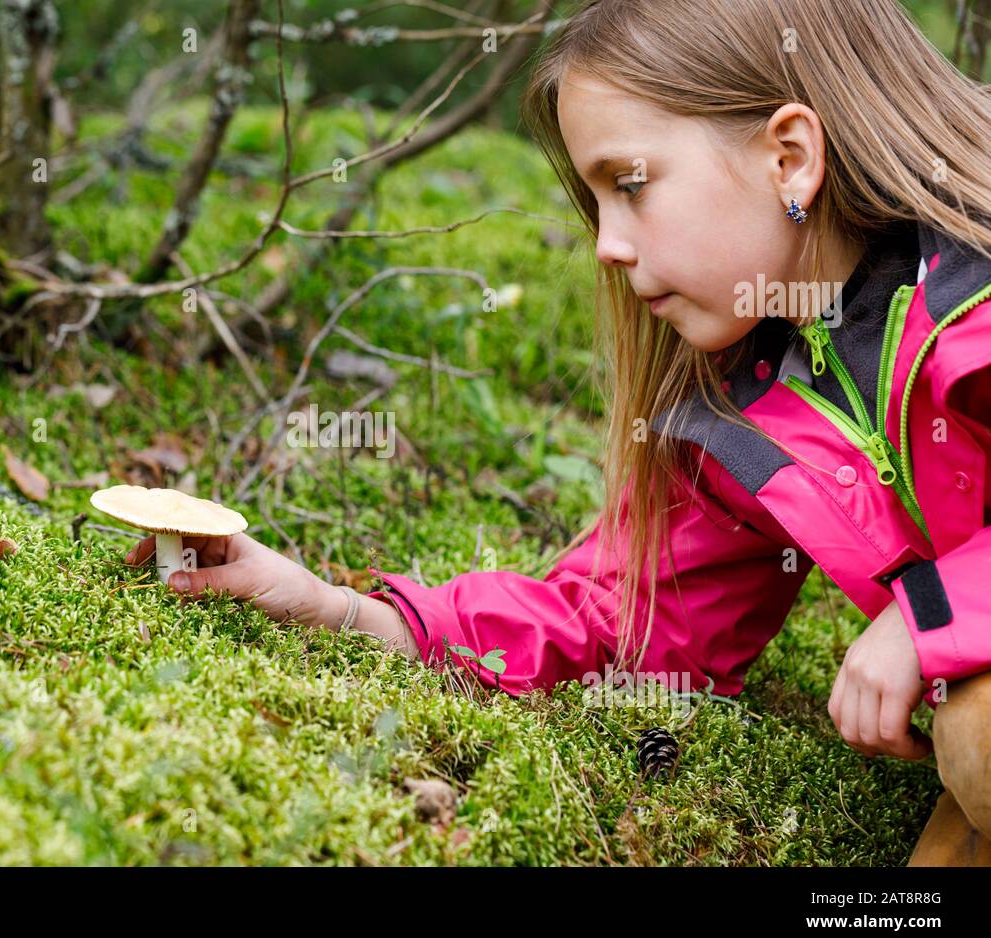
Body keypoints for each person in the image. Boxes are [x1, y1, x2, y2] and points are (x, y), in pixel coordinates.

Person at [125, 0, 991, 865]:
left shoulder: (972, 295)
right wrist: (343, 613)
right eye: (593, 199)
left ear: (789, 159)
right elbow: (624, 625)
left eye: (632, 183)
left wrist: (930, 617)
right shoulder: (747, 405)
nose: (606, 246)